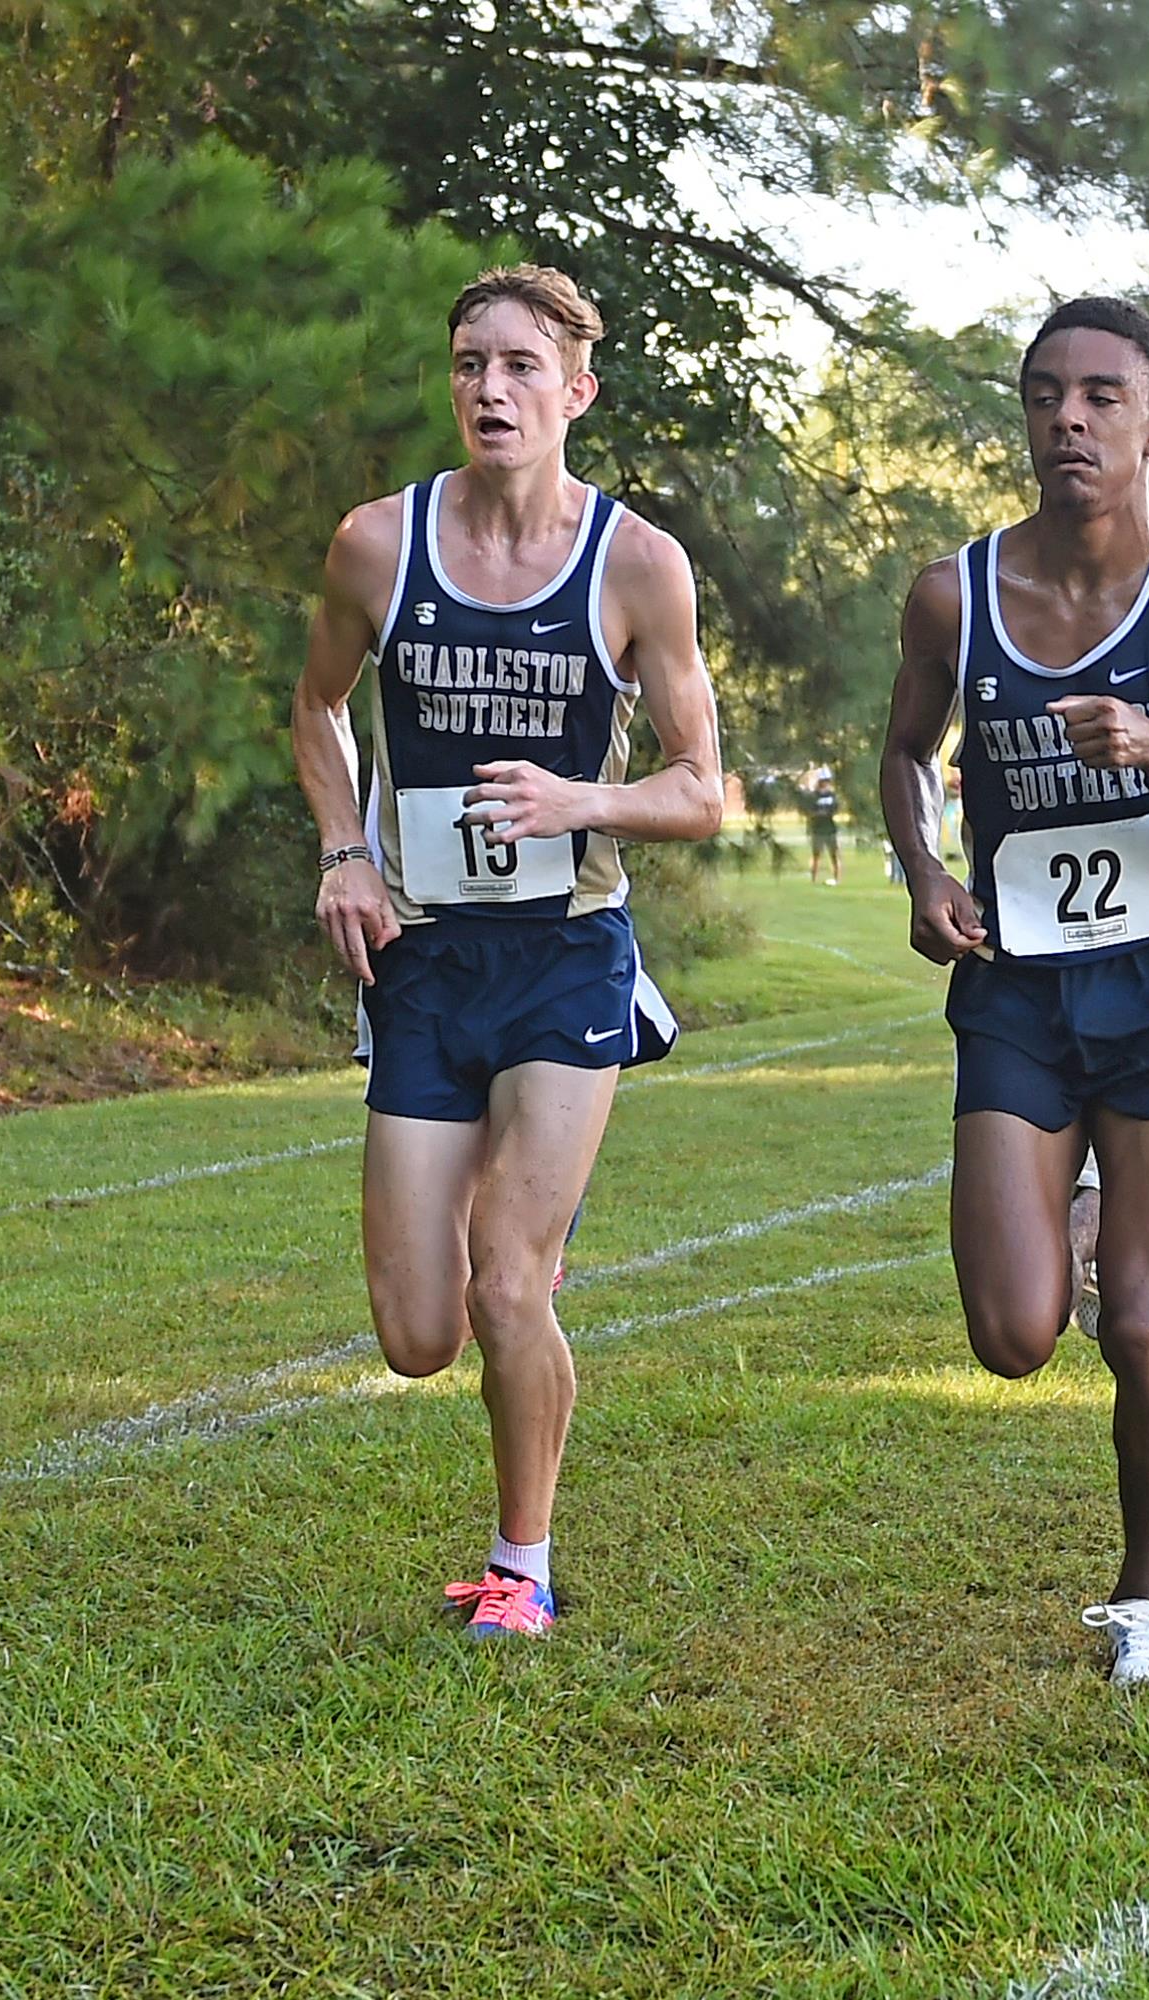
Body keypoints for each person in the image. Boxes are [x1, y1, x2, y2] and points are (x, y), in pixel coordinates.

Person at [881, 296, 1149, 1692]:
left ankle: (1148, 1603)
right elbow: (901, 752)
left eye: (1099, 398)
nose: (1066, 419)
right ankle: (1075, 1207)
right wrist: (919, 869)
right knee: (1014, 1335)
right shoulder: (954, 597)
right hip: (1015, 987)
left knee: (1139, 1319)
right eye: (1043, 396)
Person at [292, 264, 723, 1638]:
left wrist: (580, 799)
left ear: (576, 394)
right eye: (472, 362)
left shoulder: (638, 564)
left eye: (521, 366)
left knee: (505, 1283)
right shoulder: (377, 543)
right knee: (419, 1333)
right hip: (421, 965)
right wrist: (345, 850)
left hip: (566, 957)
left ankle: (519, 1568)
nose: (489, 387)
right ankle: (507, 1211)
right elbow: (315, 709)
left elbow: (702, 788)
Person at [808, 766, 841, 884]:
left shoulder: (832, 795)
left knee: (834, 855)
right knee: (816, 855)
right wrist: (819, 813)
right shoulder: (814, 796)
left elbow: (835, 808)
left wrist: (826, 812)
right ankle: (813, 879)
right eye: (824, 781)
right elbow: (811, 811)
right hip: (817, 829)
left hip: (830, 828)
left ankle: (837, 878)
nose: (826, 783)